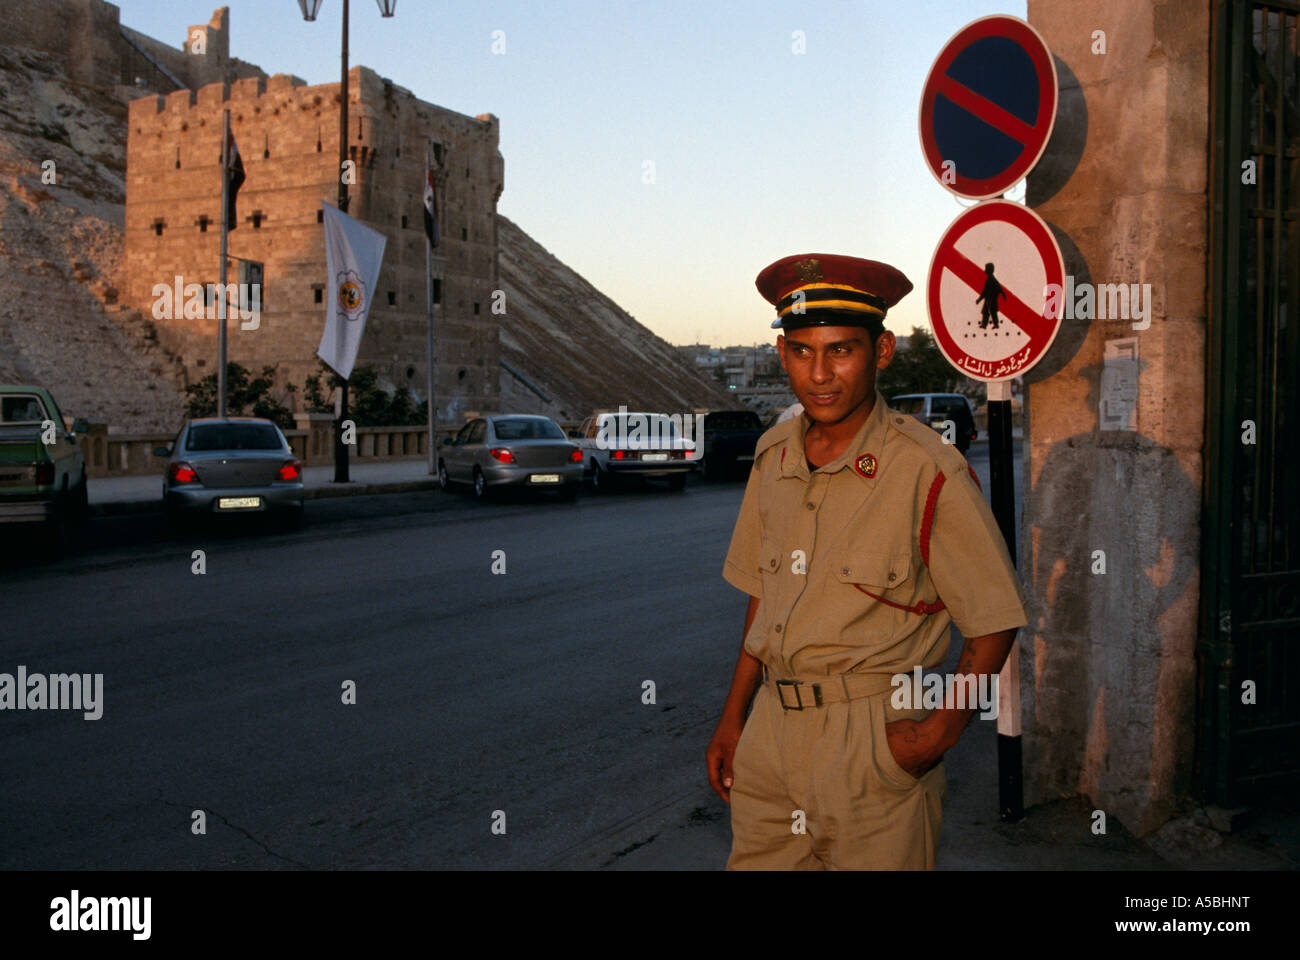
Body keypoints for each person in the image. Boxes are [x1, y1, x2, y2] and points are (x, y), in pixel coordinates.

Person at [705, 253, 1028, 870]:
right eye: (801, 351)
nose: (820, 374)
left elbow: (994, 618)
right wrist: (733, 719)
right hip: (771, 737)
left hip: (872, 742)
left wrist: (938, 735)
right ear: (782, 355)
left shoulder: (926, 468)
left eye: (841, 351)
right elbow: (760, 599)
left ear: (881, 352)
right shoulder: (772, 457)